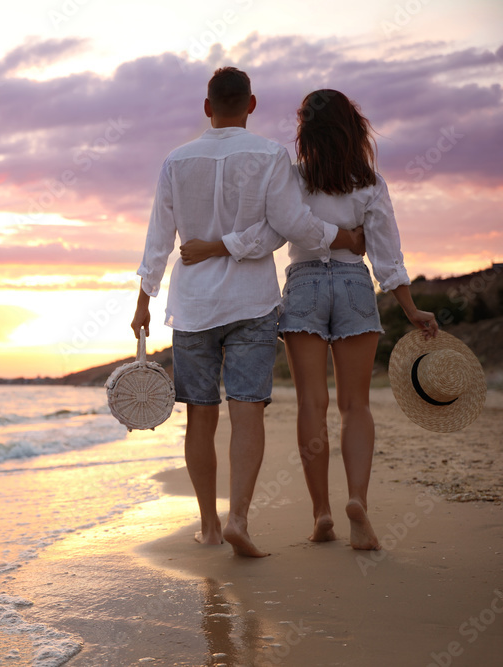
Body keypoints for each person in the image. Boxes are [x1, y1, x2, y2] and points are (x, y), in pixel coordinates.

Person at [180, 89, 438, 550]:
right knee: (355, 405)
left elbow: (274, 233)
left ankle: (322, 513)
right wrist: (410, 308)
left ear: (306, 132)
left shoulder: (293, 178)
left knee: (312, 405)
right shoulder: (370, 183)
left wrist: (215, 247)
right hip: (354, 283)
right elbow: (387, 256)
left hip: (304, 286)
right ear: (353, 130)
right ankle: (356, 500)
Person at [131, 68, 364, 558]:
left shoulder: (176, 161)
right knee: (247, 410)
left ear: (207, 107)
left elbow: (158, 238)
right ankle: (239, 518)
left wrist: (143, 301)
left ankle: (210, 526)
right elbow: (288, 226)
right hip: (251, 302)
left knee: (200, 415)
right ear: (251, 104)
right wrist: (341, 237)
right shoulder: (271, 156)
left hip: (192, 307)